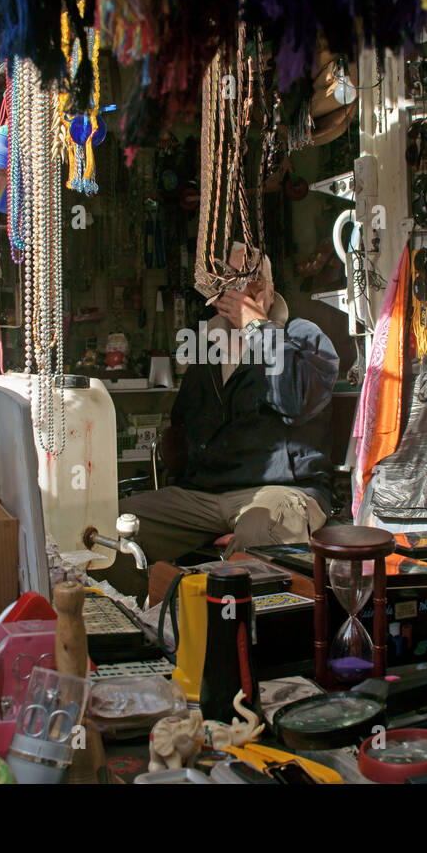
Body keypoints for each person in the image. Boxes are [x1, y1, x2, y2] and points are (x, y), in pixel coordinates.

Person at [96, 253, 339, 599]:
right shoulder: (208, 345)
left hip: (286, 490)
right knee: (116, 524)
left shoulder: (302, 336)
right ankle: (146, 620)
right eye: (231, 287)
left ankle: (232, 641)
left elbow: (295, 399)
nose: (241, 296)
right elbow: (186, 422)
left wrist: (257, 328)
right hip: (206, 494)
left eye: (251, 287)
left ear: (271, 290)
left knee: (259, 526)